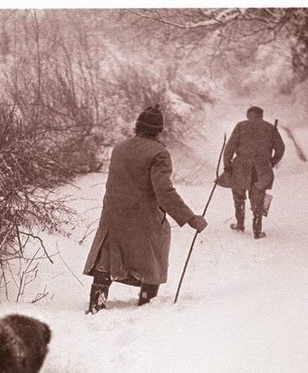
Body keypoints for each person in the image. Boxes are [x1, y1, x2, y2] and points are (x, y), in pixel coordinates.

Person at [82, 104, 208, 314]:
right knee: (153, 254)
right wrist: (190, 218)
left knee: (107, 258)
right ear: (158, 130)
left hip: (113, 214)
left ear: (137, 126)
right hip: (143, 217)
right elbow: (164, 191)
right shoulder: (159, 153)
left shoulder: (119, 147)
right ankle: (146, 304)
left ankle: (97, 303)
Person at [222, 106, 285, 239]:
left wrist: (227, 164)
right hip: (261, 169)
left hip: (240, 168)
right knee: (258, 198)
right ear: (261, 115)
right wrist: (272, 161)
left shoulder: (241, 126)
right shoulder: (270, 128)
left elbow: (230, 147)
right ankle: (257, 230)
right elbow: (280, 148)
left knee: (238, 196)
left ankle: (240, 224)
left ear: (248, 115)